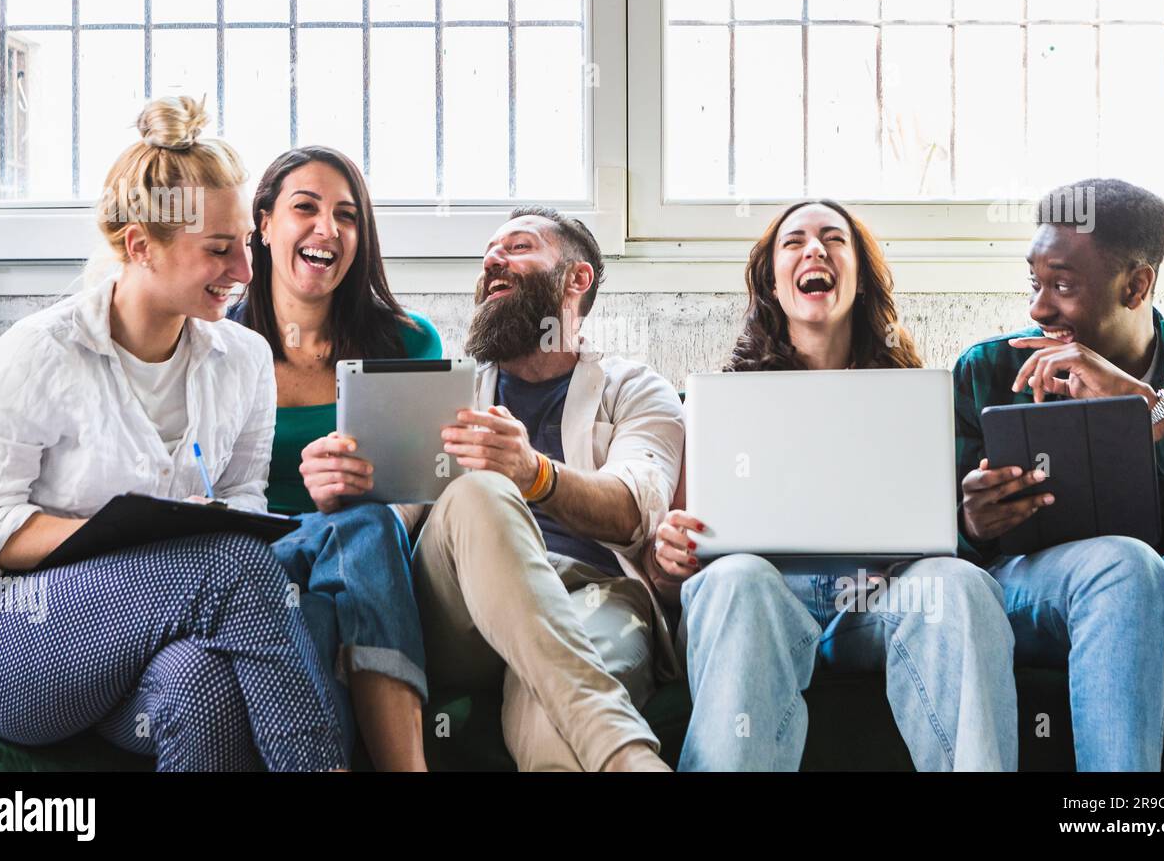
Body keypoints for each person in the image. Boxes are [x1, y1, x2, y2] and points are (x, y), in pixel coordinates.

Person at [0, 96, 344, 771]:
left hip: (156, 651)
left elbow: (243, 498)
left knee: (201, 686)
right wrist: (132, 536)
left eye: (245, 244)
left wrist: (184, 536)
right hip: (16, 643)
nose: (246, 272)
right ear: (140, 247)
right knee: (228, 563)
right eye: (219, 250)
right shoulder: (39, 351)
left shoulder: (242, 360)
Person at [652, 200, 1018, 772]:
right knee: (736, 577)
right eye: (793, 242)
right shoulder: (720, 404)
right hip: (765, 606)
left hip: (879, 604)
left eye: (832, 239)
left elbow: (944, 532)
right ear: (772, 282)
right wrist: (671, 558)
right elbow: (678, 578)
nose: (814, 250)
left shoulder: (913, 397)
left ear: (861, 279)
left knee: (959, 583)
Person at [955, 178, 1164, 772]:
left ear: (1136, 285)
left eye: (1061, 285)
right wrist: (972, 522)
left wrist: (1152, 410)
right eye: (1033, 283)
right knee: (1123, 565)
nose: (1038, 308)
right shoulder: (988, 371)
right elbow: (927, 550)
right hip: (1032, 593)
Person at [408, 206, 684, 771]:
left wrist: (534, 473)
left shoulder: (637, 390)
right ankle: (625, 754)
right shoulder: (444, 390)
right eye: (489, 253)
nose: (492, 260)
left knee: (547, 707)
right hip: (459, 609)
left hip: (593, 594)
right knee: (479, 494)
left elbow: (634, 510)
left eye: (517, 247)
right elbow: (401, 511)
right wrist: (350, 483)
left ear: (576, 279)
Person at [230, 145, 441, 771]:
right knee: (317, 587)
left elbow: (428, 485)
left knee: (360, 538)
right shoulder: (214, 347)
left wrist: (362, 506)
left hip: (372, 558)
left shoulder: (407, 341)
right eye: (306, 208)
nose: (328, 229)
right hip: (256, 556)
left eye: (347, 215)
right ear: (264, 224)